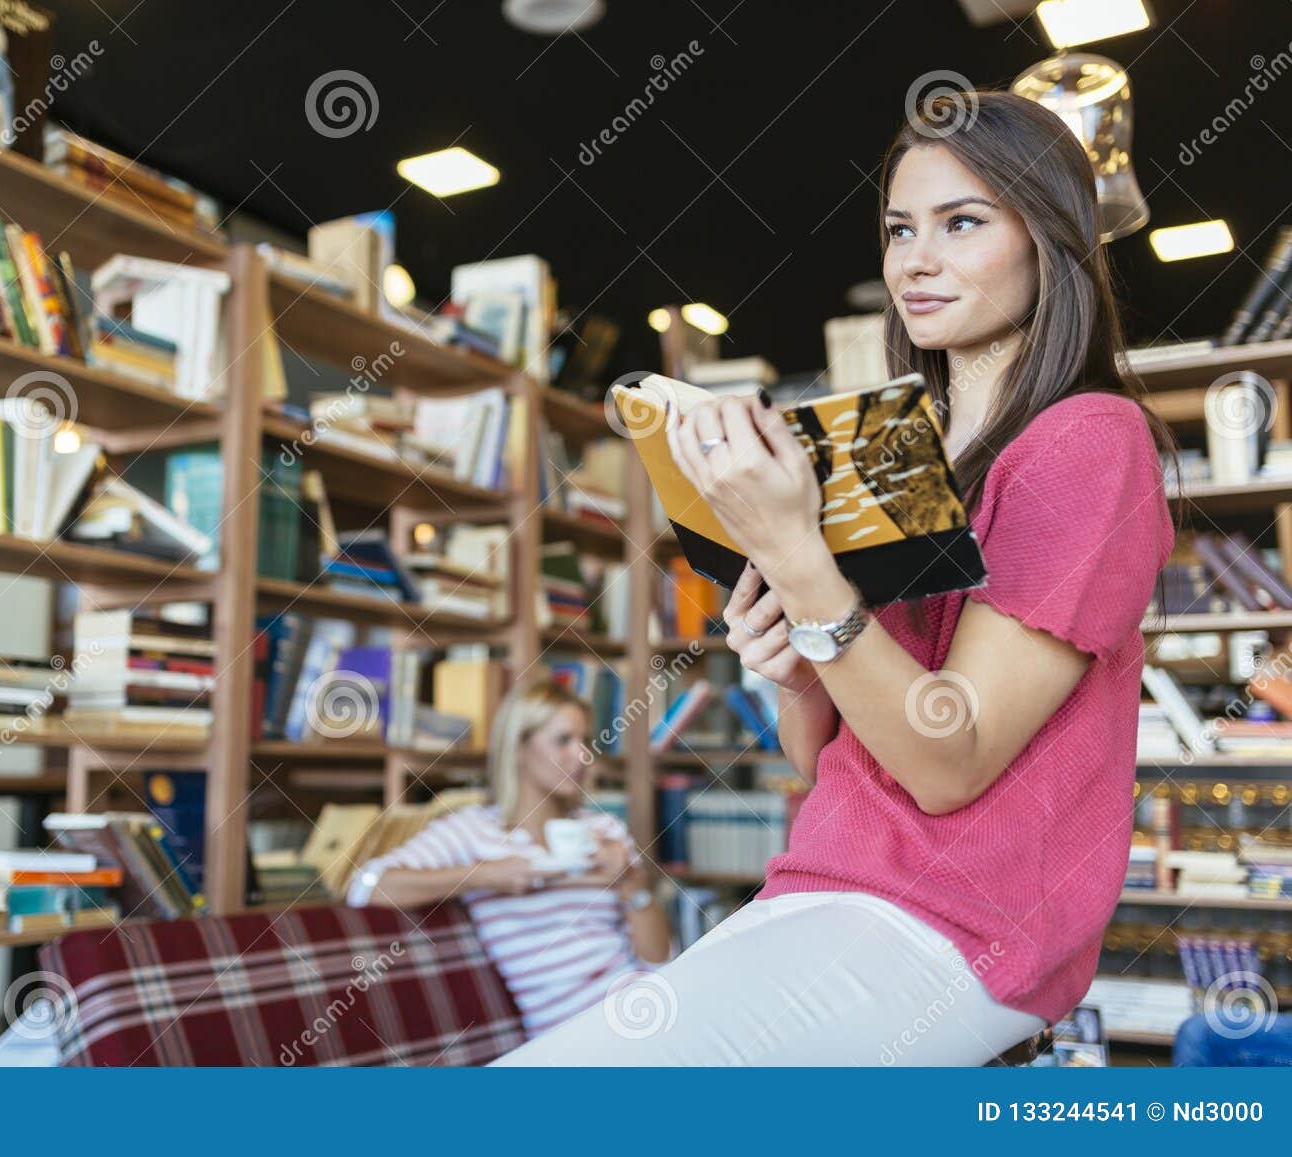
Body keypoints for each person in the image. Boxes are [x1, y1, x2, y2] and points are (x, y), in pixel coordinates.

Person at [496, 89, 1176, 1066]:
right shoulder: (898, 457)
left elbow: (948, 761)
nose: (914, 259)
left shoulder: (1087, 439)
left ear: (1051, 239)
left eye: (962, 222)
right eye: (899, 228)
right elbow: (825, 764)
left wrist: (799, 561)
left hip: (957, 924)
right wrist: (789, 660)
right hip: (819, 888)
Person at [346, 680, 672, 1037]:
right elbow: (366, 886)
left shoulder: (604, 830)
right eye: (563, 740)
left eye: (585, 741)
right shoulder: (474, 831)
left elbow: (661, 959)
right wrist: (485, 876)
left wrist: (631, 883)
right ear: (518, 748)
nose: (582, 757)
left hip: (648, 1008)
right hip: (570, 1037)